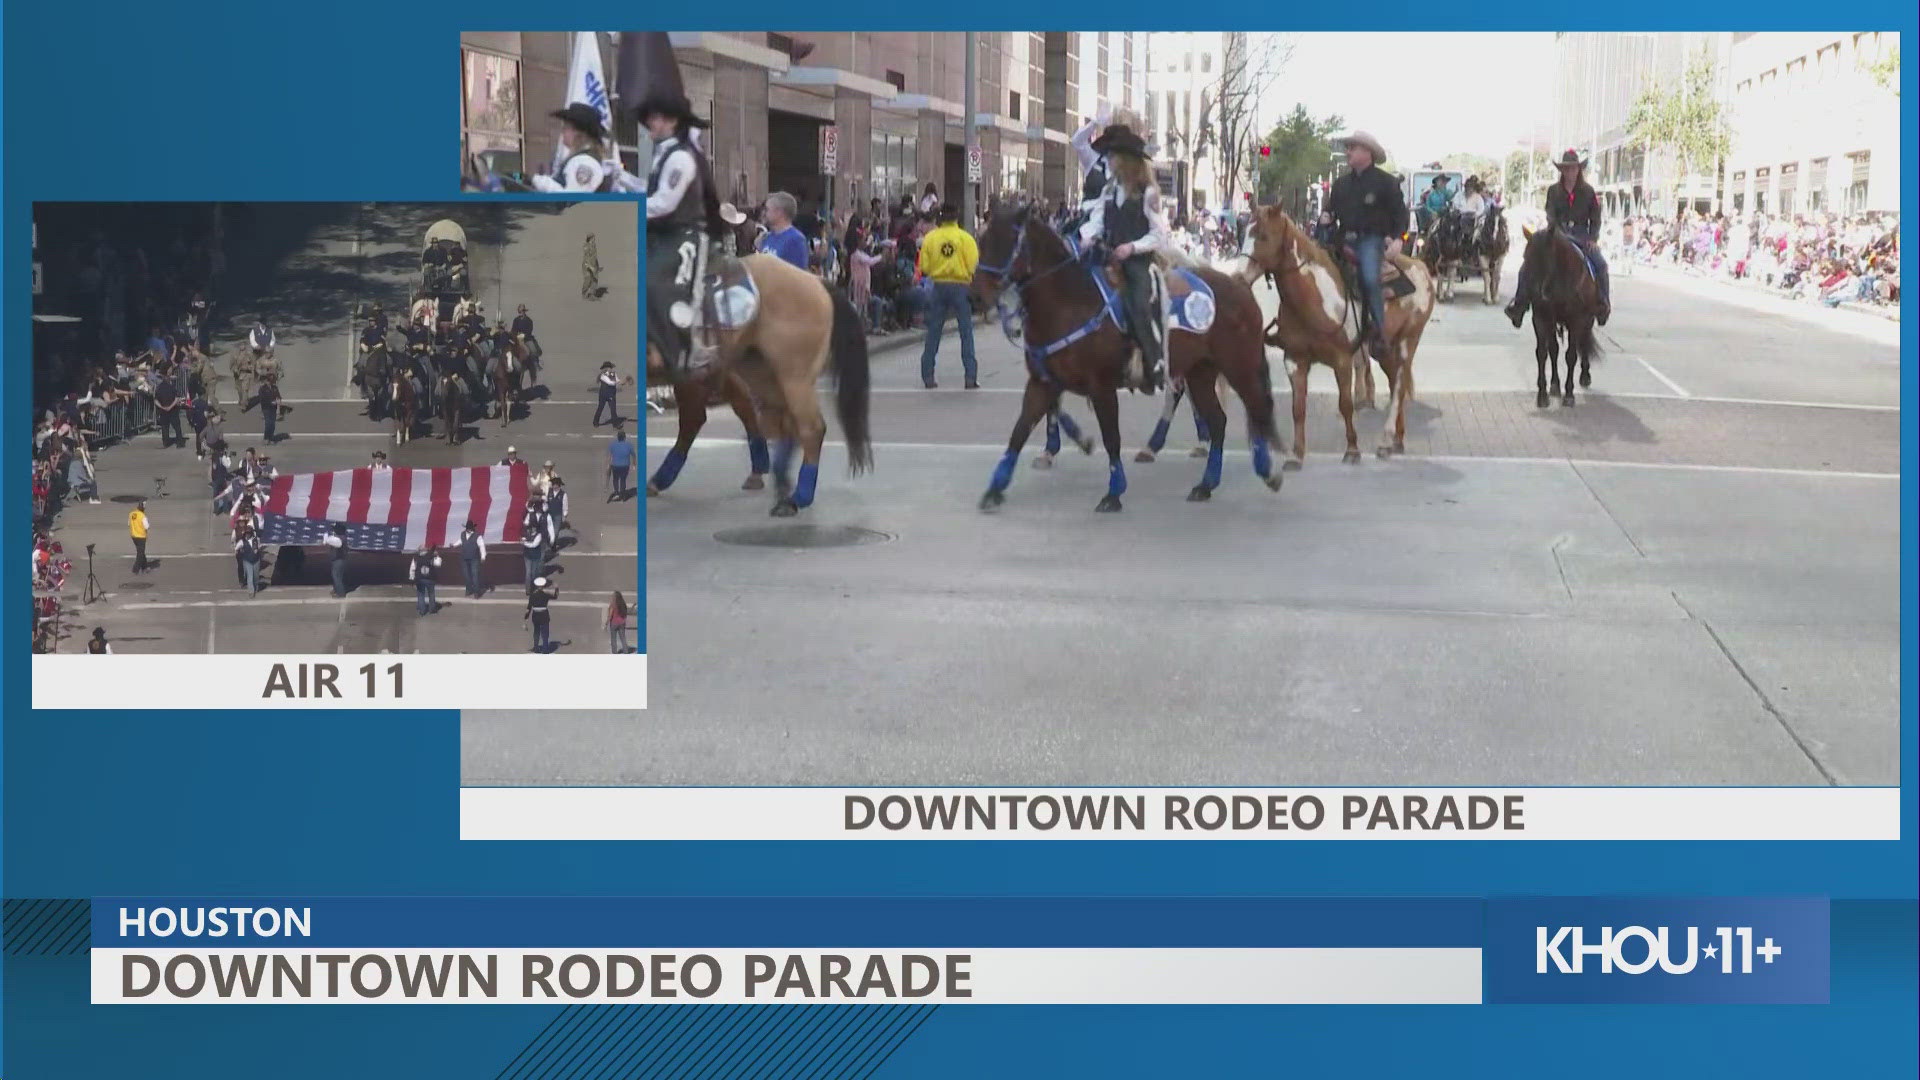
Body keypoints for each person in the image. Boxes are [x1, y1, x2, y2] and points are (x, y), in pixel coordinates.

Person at [1079, 118, 1172, 393]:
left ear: (1127, 160)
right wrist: (1084, 238)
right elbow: (1096, 221)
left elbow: (1160, 234)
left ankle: (1154, 363)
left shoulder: (1149, 193)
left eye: (1112, 155)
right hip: (1108, 256)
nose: (1108, 160)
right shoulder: (1108, 191)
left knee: (1139, 302)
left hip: (1138, 262)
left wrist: (1132, 247)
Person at [642, 84, 727, 375]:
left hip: (684, 235)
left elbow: (665, 203)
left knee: (656, 282)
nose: (650, 123)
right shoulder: (664, 155)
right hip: (660, 233)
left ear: (672, 122)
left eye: (656, 118)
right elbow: (651, 193)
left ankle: (689, 351)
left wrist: (627, 206)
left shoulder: (680, 157)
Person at [1326, 131, 1409, 361]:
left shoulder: (1386, 183)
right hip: (1342, 238)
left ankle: (1380, 330)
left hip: (1371, 240)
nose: (1348, 152)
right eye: (1348, 147)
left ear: (1367, 152)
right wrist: (1326, 217)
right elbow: (1330, 211)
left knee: (1370, 276)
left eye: (1353, 147)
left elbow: (1400, 216)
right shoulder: (1341, 184)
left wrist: (1398, 239)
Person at [1508, 148, 1610, 327]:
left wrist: (1593, 238)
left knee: (1601, 265)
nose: (1570, 172)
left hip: (1582, 236)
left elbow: (1595, 217)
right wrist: (1556, 230)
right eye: (1566, 169)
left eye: (1573, 168)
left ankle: (1602, 303)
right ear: (1562, 171)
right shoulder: (1553, 191)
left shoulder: (1588, 191)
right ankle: (1519, 304)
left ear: (1579, 170)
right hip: (1557, 233)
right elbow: (1550, 213)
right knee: (1528, 263)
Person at [916, 204, 981, 389]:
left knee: (934, 331)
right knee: (966, 332)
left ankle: (928, 375)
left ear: (940, 218)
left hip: (938, 286)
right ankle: (970, 376)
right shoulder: (966, 239)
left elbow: (925, 267)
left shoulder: (930, 238)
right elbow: (973, 265)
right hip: (961, 286)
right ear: (957, 218)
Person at [533, 103, 615, 194]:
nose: (562, 132)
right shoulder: (581, 159)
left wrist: (542, 182)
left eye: (566, 128)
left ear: (579, 133)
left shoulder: (585, 162)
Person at [759, 192, 811, 271]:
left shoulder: (796, 240)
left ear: (779, 212)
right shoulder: (767, 238)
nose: (763, 213)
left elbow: (799, 274)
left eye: (767, 209)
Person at [521, 497, 551, 584]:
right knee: (530, 571)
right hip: (530, 551)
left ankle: (537, 577)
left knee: (538, 563)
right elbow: (527, 507)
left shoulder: (545, 515)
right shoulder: (530, 514)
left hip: (541, 541)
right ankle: (531, 584)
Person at [526, 577, 557, 653]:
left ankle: (536, 648)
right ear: (543, 586)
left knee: (536, 632)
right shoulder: (546, 595)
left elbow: (528, 608)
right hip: (544, 615)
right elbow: (555, 596)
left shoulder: (532, 596)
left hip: (535, 615)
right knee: (545, 633)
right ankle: (545, 649)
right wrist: (556, 588)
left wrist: (525, 619)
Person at [458, 520, 487, 597]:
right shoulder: (463, 534)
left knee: (475, 575)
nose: (469, 530)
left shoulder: (478, 536)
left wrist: (483, 556)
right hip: (464, 558)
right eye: (468, 528)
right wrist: (453, 545)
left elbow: (482, 546)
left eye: (470, 528)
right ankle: (469, 589)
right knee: (466, 575)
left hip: (474, 558)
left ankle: (476, 592)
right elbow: (460, 541)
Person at [408, 546, 442, 615]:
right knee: (431, 594)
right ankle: (432, 609)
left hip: (419, 579)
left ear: (419, 550)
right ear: (426, 549)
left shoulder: (416, 557)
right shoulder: (431, 556)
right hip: (430, 578)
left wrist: (411, 578)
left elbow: (412, 568)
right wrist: (437, 556)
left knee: (421, 595)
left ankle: (422, 611)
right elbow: (438, 564)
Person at [235, 526, 264, 598]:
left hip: (256, 560)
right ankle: (251, 591)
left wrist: (259, 552)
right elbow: (236, 548)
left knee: (256, 576)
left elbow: (260, 547)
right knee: (250, 576)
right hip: (247, 561)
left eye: (248, 533)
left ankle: (256, 586)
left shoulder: (257, 540)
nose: (247, 535)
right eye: (246, 533)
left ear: (251, 533)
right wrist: (239, 552)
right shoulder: (242, 541)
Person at [593, 361, 623, 427]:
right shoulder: (602, 376)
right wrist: (616, 382)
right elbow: (610, 383)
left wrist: (623, 382)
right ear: (606, 368)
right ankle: (595, 422)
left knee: (613, 409)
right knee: (600, 408)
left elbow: (617, 380)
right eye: (609, 367)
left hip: (611, 394)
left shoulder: (613, 374)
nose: (611, 369)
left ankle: (615, 424)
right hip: (603, 394)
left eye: (611, 367)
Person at [607, 428, 634, 500]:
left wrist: (608, 465)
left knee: (615, 479)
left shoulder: (612, 445)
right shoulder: (629, 445)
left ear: (618, 437)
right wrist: (634, 465)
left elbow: (610, 456)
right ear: (624, 437)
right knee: (623, 479)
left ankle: (616, 492)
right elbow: (633, 455)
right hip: (625, 466)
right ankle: (622, 493)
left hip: (615, 466)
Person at [128, 499, 151, 574]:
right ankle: (135, 569)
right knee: (140, 553)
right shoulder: (143, 516)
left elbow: (129, 524)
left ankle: (144, 567)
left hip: (133, 536)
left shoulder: (131, 514)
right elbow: (147, 527)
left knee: (141, 551)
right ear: (143, 508)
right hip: (141, 537)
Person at [325, 523, 348, 597]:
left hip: (339, 560)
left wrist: (328, 540)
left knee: (336, 576)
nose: (333, 530)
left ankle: (340, 593)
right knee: (337, 576)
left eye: (335, 529)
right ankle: (336, 589)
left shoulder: (341, 538)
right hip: (337, 559)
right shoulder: (339, 537)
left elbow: (338, 544)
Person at [581, 232, 602, 299]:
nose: (594, 239)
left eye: (594, 237)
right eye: (593, 238)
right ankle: (584, 293)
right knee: (588, 279)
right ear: (590, 238)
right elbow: (586, 258)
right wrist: (590, 267)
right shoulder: (586, 246)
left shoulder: (594, 245)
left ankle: (592, 294)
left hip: (594, 265)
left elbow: (594, 257)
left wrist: (597, 267)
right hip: (587, 266)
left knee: (595, 280)